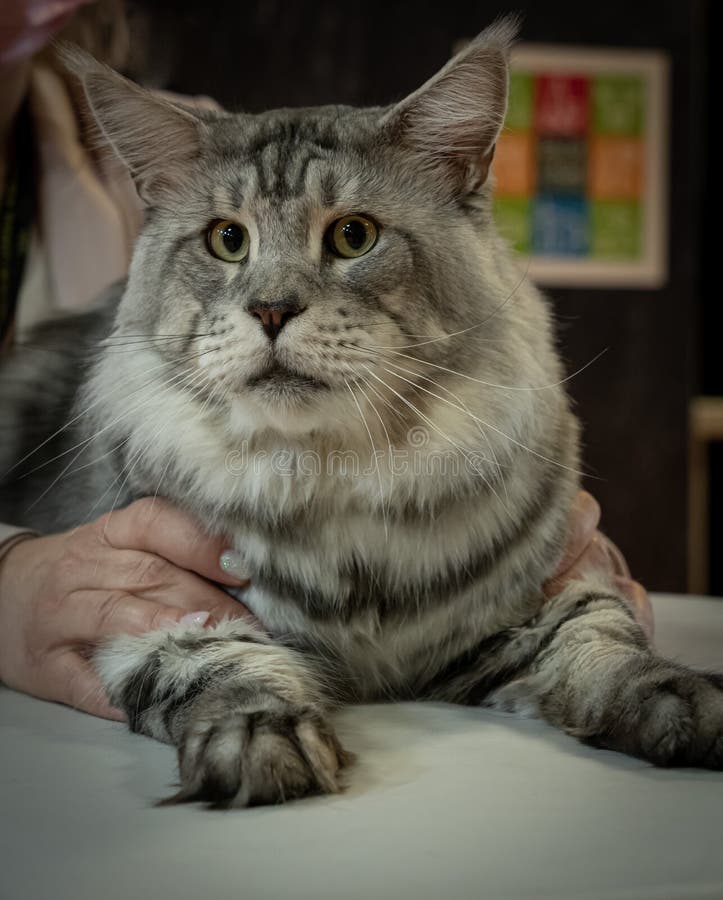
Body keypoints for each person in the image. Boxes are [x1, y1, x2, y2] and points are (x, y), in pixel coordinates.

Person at [0, 0, 651, 723]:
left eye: (349, 235)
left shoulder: (222, 141)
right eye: (227, 241)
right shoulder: (194, 164)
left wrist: (530, 558)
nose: (271, 303)